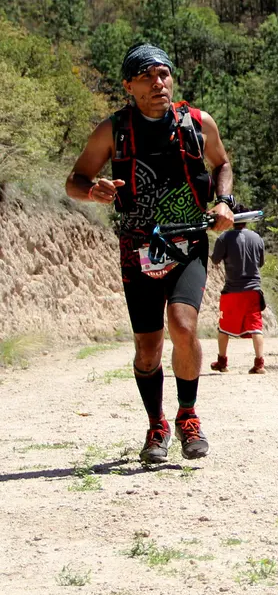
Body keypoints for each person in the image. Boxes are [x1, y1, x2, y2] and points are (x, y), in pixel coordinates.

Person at [65, 43, 235, 465]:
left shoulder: (198, 122)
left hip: (189, 241)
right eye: (147, 76)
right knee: (147, 347)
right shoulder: (114, 130)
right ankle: (156, 423)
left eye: (164, 74)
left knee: (182, 325)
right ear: (129, 85)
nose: (158, 83)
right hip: (136, 247)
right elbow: (76, 180)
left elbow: (221, 165)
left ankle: (187, 416)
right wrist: (92, 190)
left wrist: (225, 202)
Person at [209, 208, 266, 375]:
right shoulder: (257, 238)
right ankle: (259, 363)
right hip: (253, 290)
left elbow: (215, 260)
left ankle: (222, 362)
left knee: (224, 327)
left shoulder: (224, 238)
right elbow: (260, 263)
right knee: (256, 326)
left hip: (232, 290)